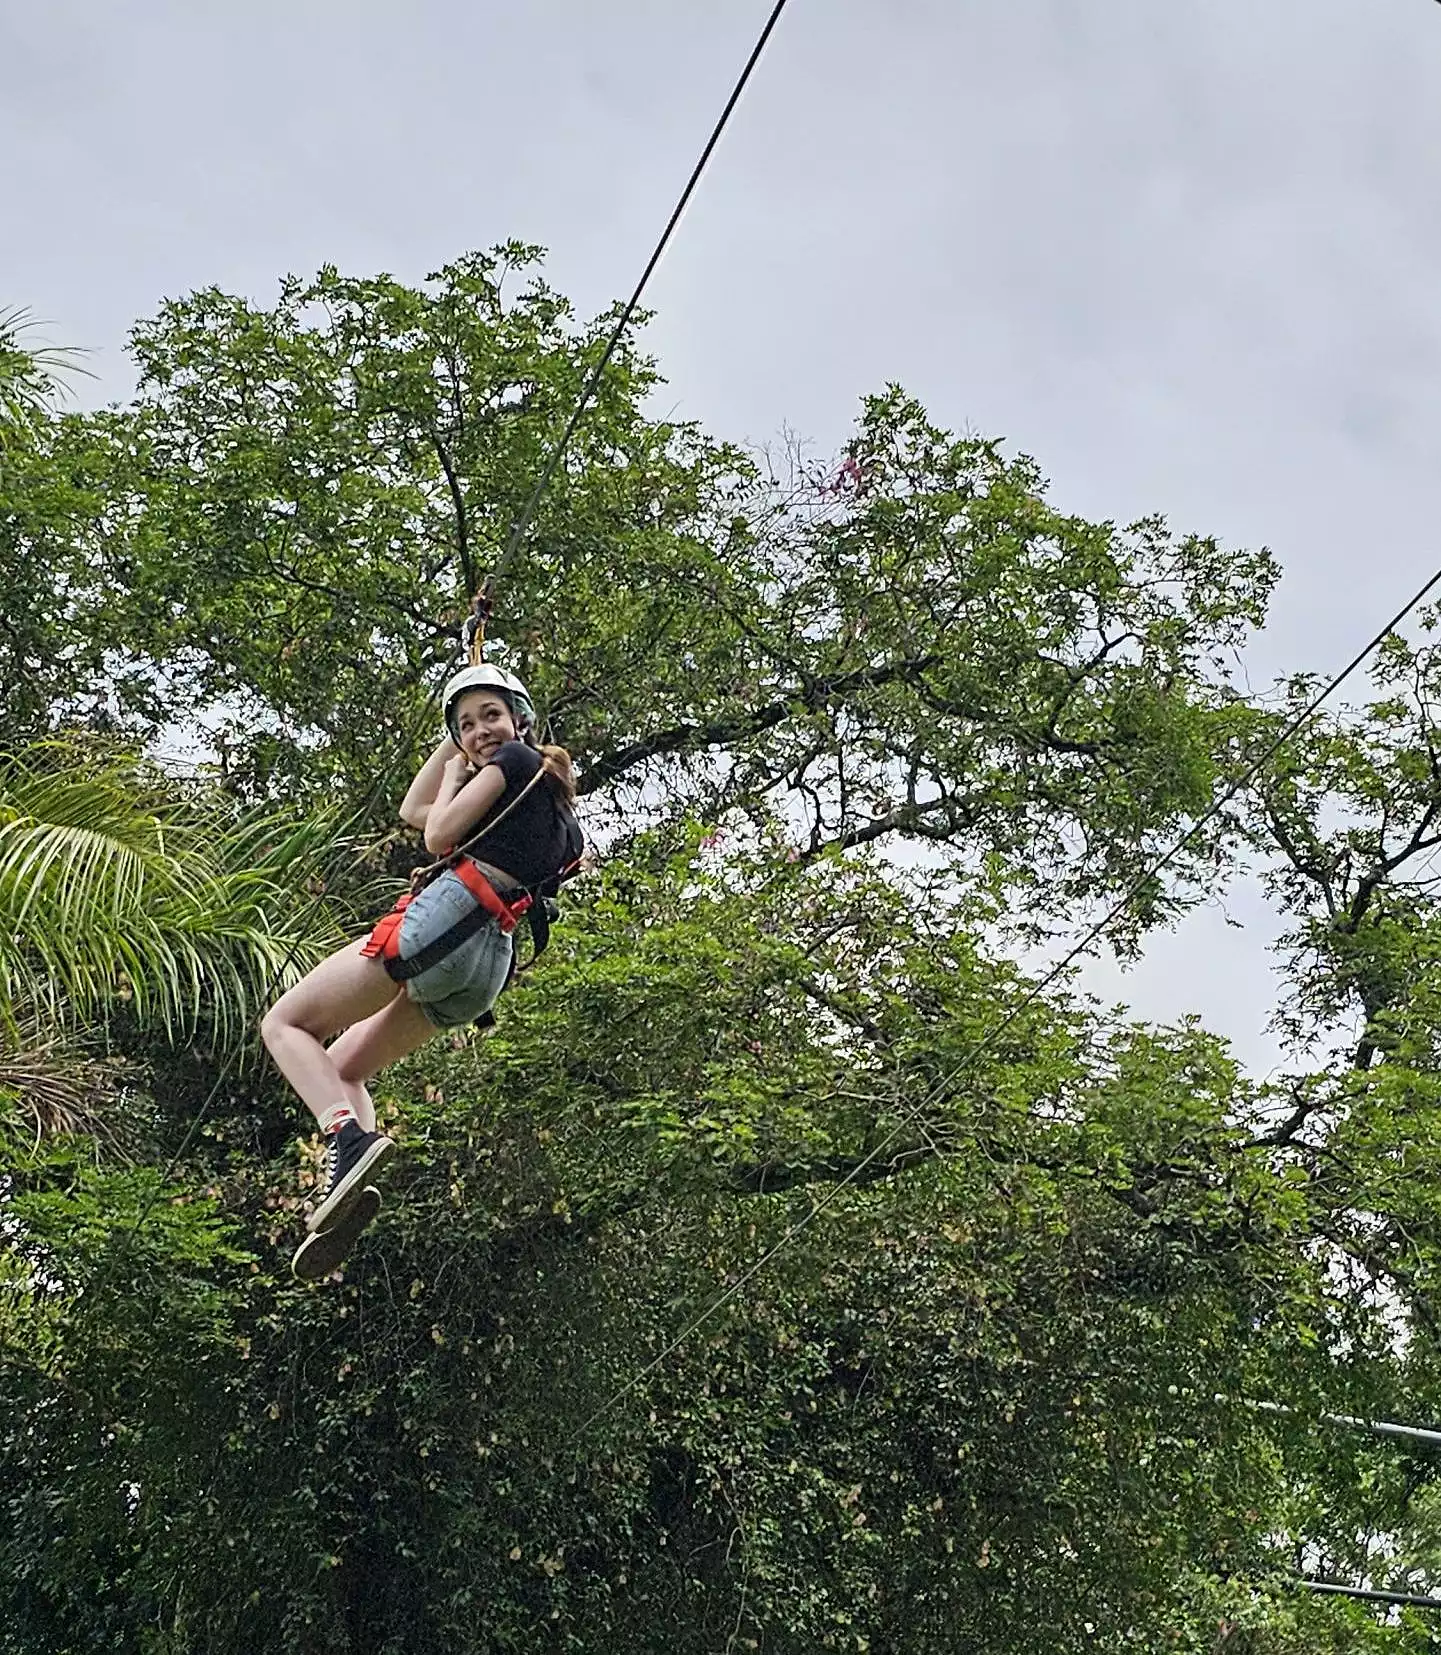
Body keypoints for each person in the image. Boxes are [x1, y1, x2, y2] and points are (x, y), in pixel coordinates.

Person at [260, 664, 580, 1278]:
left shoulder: (516, 760)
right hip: (484, 967)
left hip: (446, 924)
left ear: (520, 721)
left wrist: (463, 764)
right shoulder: (549, 803)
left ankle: (343, 1138)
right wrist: (456, 743)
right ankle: (350, 1181)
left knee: (287, 1025)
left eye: (492, 716)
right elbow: (415, 806)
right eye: (467, 724)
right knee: (344, 1069)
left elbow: (434, 834)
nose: (481, 731)